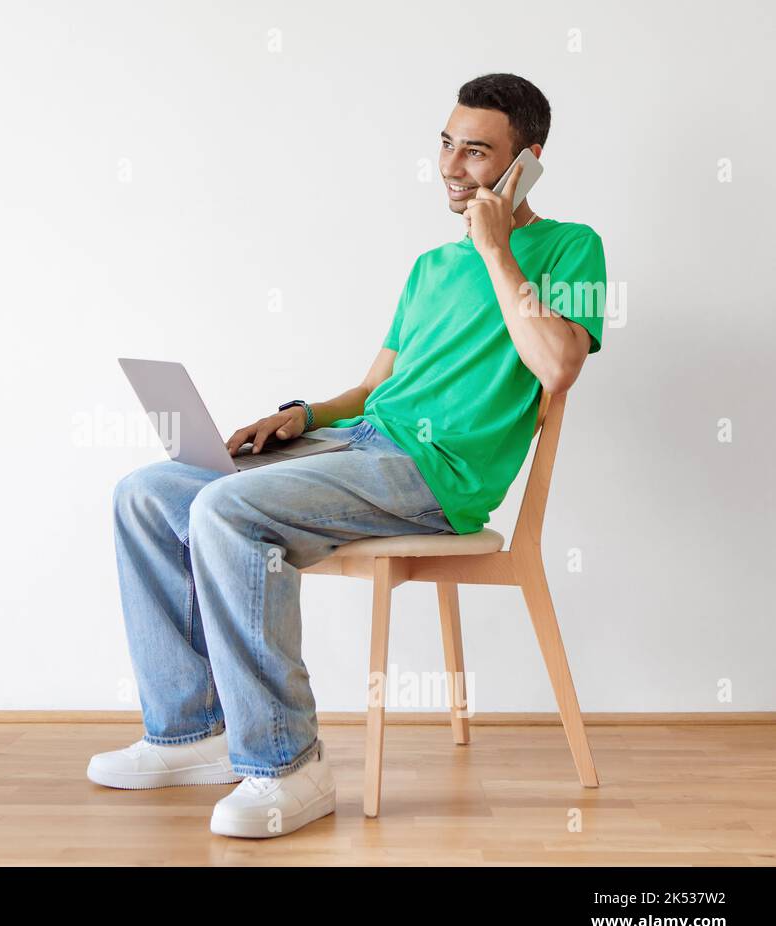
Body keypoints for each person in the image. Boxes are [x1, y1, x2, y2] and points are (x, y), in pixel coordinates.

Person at [89, 73, 607, 838]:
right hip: (355, 443)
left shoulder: (573, 247)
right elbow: (373, 388)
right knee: (148, 492)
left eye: (476, 152)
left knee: (226, 510)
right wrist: (298, 416)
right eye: (445, 144)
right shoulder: (430, 268)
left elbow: (558, 365)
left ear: (526, 160)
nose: (451, 165)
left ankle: (287, 765)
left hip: (435, 477)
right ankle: (189, 730)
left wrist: (498, 252)